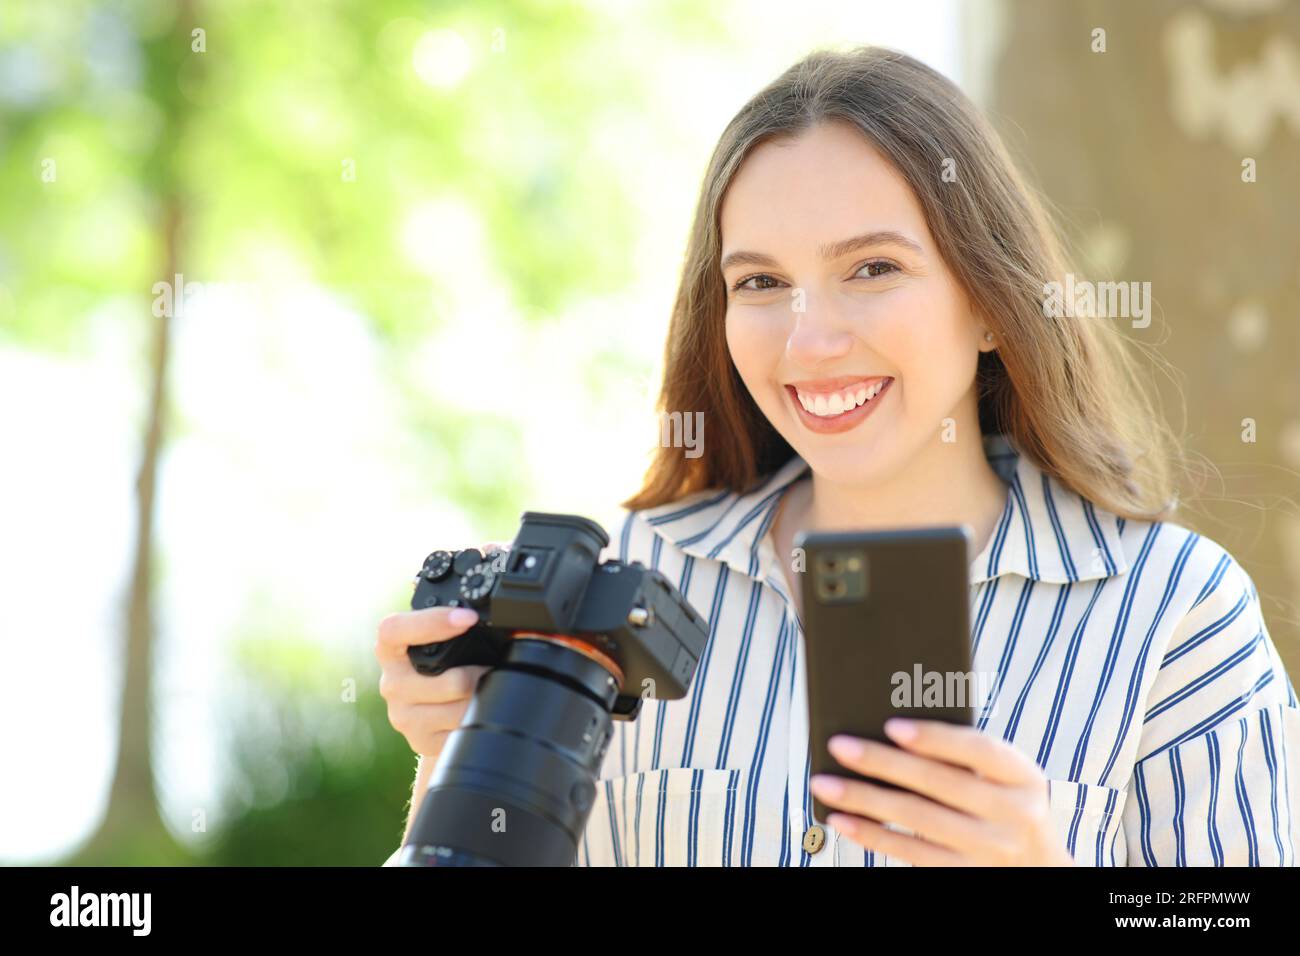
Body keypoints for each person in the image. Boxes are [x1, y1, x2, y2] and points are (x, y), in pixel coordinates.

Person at [376, 45, 1299, 866]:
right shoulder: (622, 583)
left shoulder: (1174, 613)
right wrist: (454, 758)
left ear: (990, 302)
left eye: (873, 268)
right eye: (761, 282)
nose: (810, 342)